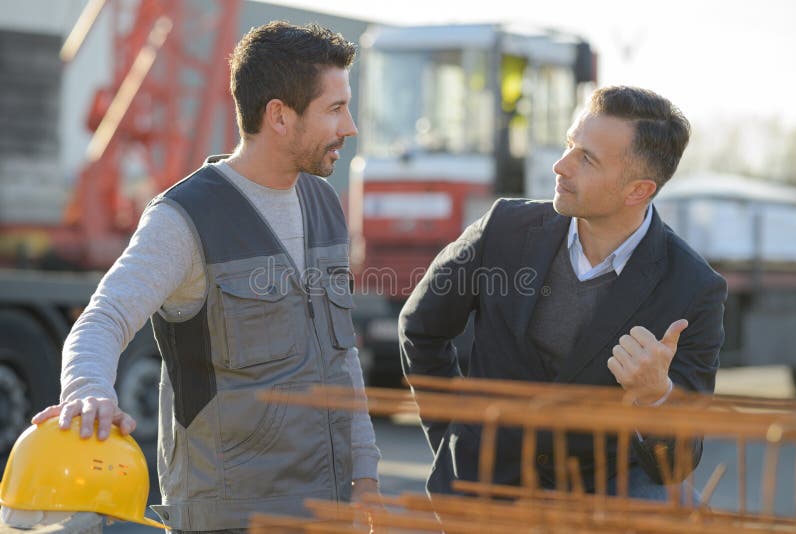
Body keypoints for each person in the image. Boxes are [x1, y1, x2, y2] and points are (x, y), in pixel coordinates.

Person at [31, 21, 380, 531]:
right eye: (334, 109)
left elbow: (341, 358)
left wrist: (366, 477)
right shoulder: (185, 218)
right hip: (230, 518)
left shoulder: (325, 204)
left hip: (326, 513)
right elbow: (103, 317)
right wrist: (89, 390)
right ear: (279, 116)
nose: (349, 127)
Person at [398, 86, 727, 499]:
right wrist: (453, 435)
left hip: (599, 508)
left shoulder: (694, 289)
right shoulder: (502, 228)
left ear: (638, 191)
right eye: (570, 145)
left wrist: (655, 398)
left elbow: (676, 464)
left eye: (586, 158)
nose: (560, 165)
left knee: (688, 509)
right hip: (481, 493)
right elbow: (421, 328)